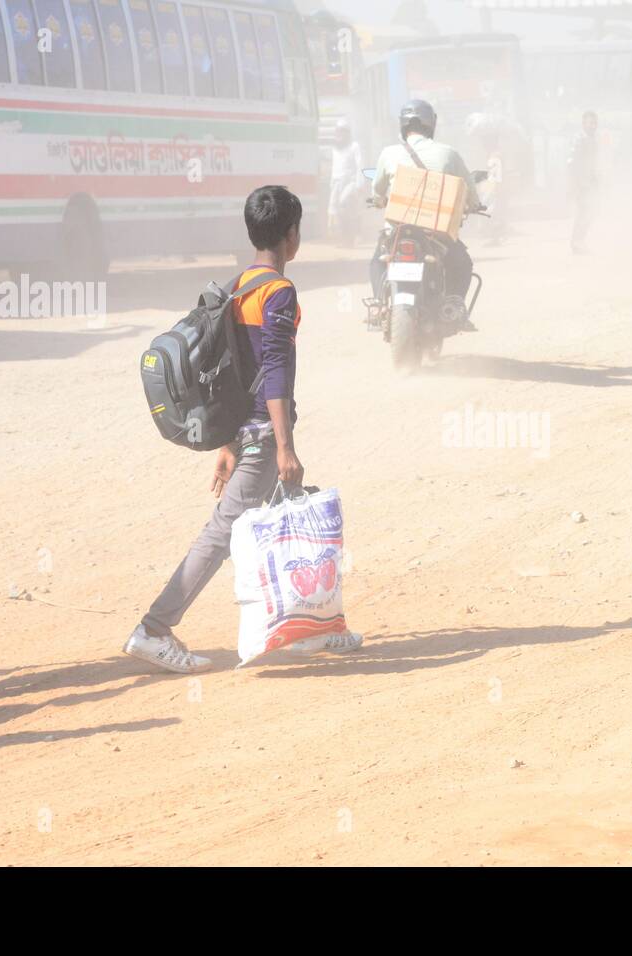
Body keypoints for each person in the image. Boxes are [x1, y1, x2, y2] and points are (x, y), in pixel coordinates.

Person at [124, 185, 358, 673]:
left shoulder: (238, 285)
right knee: (220, 536)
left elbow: (229, 371)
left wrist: (228, 443)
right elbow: (273, 369)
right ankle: (153, 629)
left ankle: (307, 629)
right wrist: (284, 448)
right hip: (265, 436)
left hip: (248, 432)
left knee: (285, 522)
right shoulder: (278, 291)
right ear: (292, 236)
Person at [370, 99, 482, 326]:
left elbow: (377, 191)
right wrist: (475, 204)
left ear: (403, 126)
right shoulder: (448, 154)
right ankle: (454, 307)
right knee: (462, 263)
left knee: (377, 261)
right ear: (431, 125)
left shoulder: (388, 153)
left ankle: (378, 306)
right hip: (436, 232)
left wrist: (378, 201)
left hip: (398, 231)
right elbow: (469, 189)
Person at [566, 111, 600, 254]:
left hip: (589, 182)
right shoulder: (579, 139)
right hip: (580, 182)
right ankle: (577, 241)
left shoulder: (593, 140)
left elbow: (592, 162)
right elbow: (572, 162)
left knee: (591, 211)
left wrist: (595, 177)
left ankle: (579, 240)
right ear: (583, 124)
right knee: (584, 211)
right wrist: (576, 182)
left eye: (594, 123)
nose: (592, 126)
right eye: (589, 123)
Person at [327, 120, 364, 247]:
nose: (339, 134)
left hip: (350, 182)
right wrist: (332, 184)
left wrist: (359, 184)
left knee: (344, 205)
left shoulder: (354, 146)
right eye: (338, 132)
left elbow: (360, 165)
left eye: (342, 132)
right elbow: (334, 167)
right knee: (335, 210)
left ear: (347, 133)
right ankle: (345, 238)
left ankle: (352, 237)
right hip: (337, 183)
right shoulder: (334, 148)